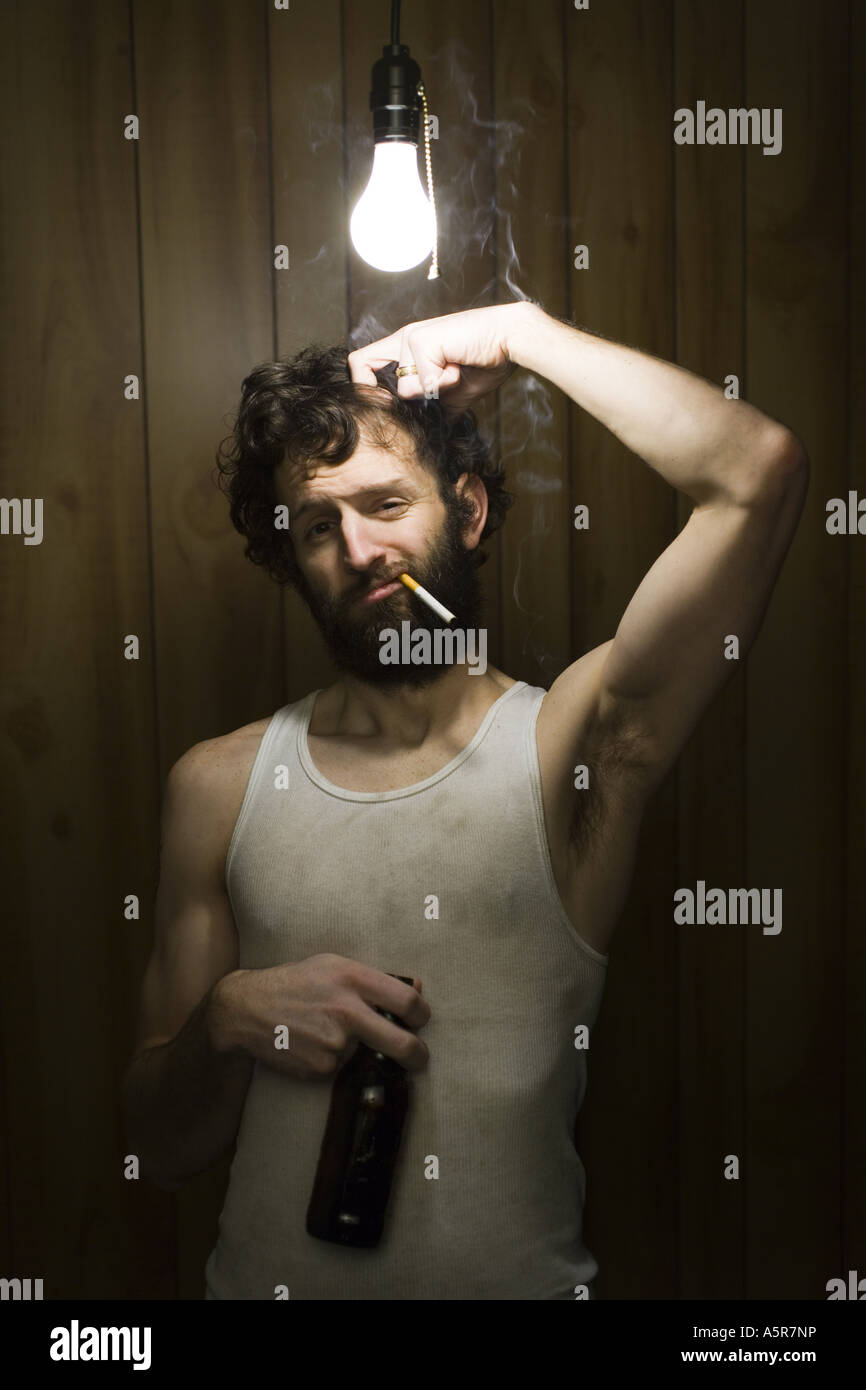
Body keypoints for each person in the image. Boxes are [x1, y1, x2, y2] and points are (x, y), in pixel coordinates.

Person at [121, 300, 808, 1300]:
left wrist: (523, 334)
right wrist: (225, 1018)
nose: (360, 549)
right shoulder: (218, 785)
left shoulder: (572, 748)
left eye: (386, 503)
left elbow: (757, 475)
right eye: (319, 525)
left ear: (468, 512)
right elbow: (159, 1144)